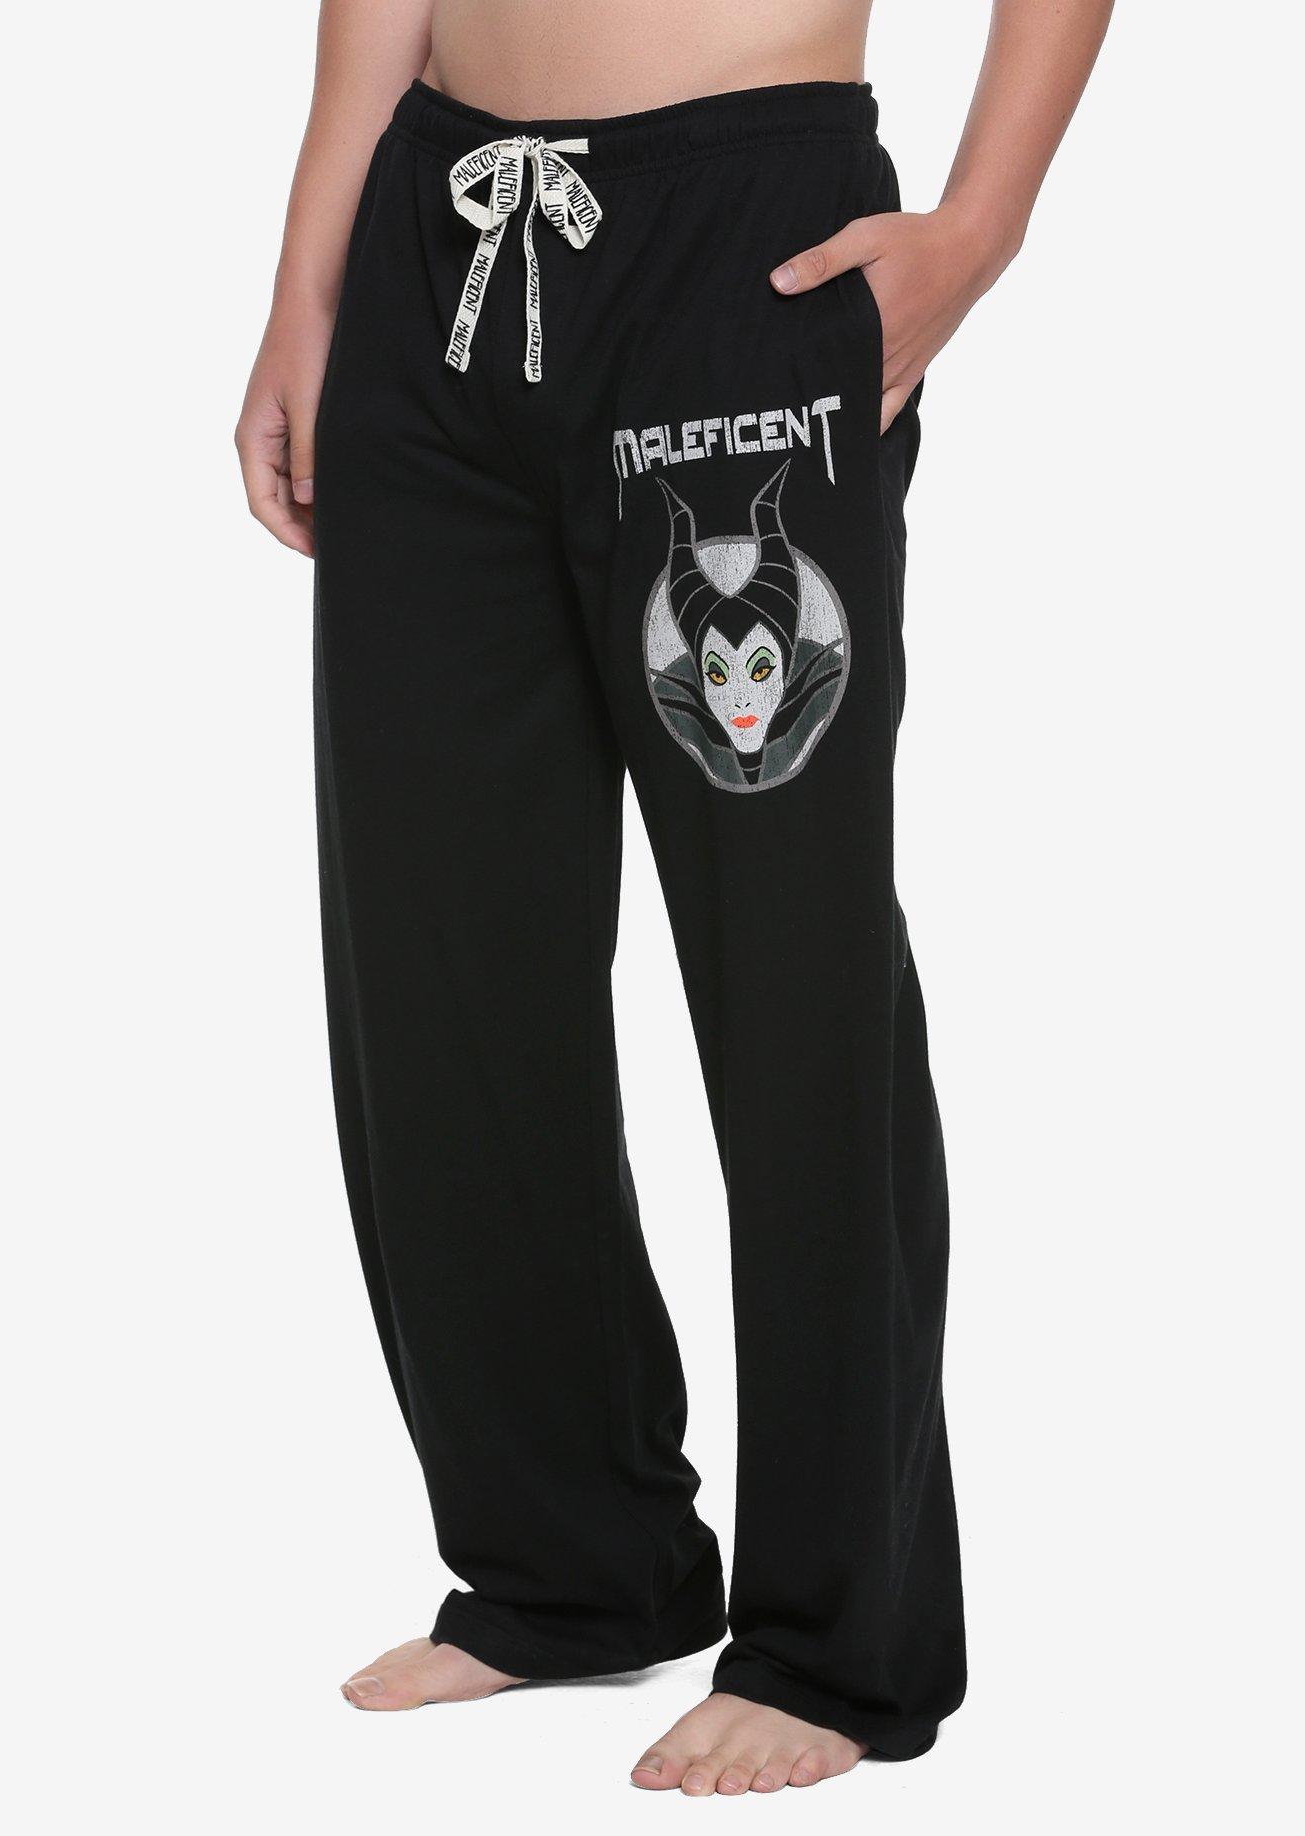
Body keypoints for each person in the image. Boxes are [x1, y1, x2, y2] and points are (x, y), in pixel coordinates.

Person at [236, 0, 1111, 1796]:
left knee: (790, 956)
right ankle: (571, 1564)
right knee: (440, 948)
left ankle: (841, 1635)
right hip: (436, 236)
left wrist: (982, 225)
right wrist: (307, 286)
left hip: (745, 250)